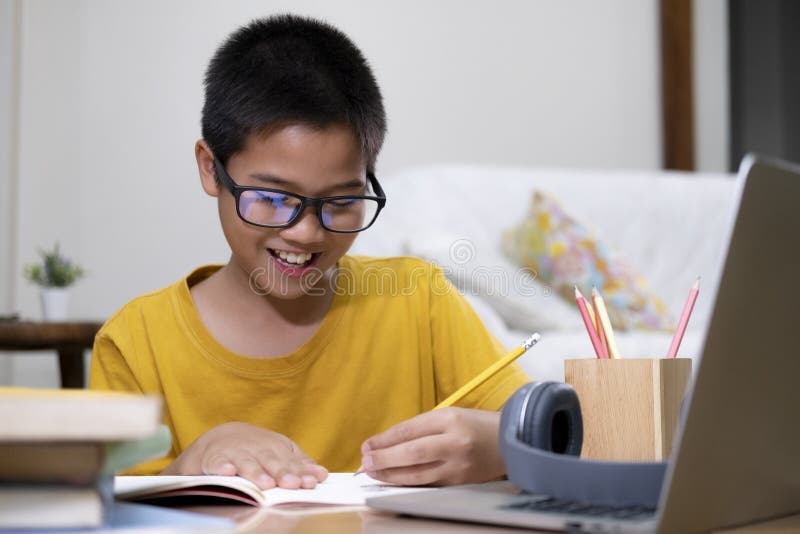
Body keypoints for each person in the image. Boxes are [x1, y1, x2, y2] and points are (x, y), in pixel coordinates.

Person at [89, 13, 530, 490]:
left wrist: (502, 446)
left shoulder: (418, 300)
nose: (305, 233)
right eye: (273, 198)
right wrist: (190, 465)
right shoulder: (135, 343)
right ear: (211, 169)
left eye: (340, 202)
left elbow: (555, 435)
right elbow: (106, 506)